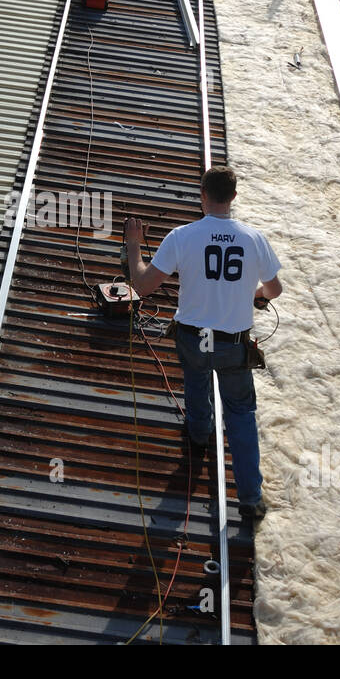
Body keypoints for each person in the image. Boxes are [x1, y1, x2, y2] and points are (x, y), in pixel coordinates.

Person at [122, 167, 282, 520]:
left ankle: (198, 437)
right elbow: (275, 289)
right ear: (234, 198)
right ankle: (251, 499)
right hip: (233, 346)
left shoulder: (182, 236)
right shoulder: (254, 239)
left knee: (196, 385)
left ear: (202, 194)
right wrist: (255, 294)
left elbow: (142, 285)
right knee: (241, 414)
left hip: (194, 339)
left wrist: (134, 245)